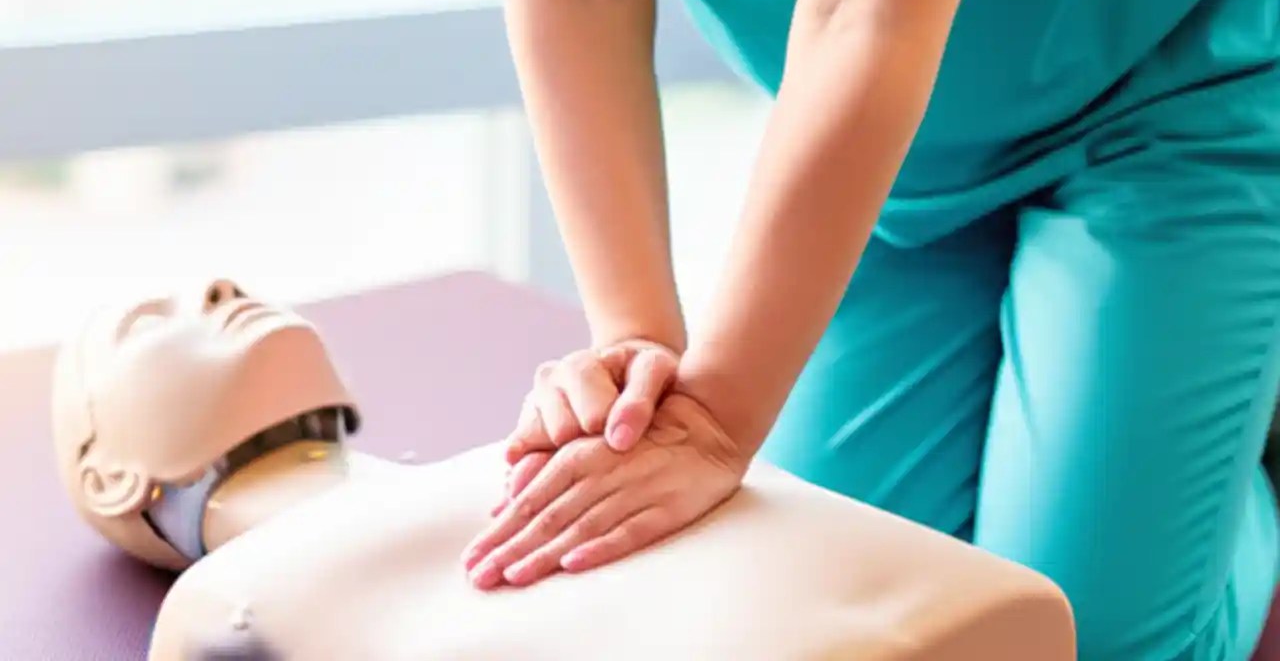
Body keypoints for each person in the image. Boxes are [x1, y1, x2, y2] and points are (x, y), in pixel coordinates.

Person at [468, 0, 1280, 659]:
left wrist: (714, 421)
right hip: (906, 158)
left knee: (1078, 638)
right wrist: (636, 342)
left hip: (1182, 91)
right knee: (842, 613)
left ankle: (1241, 457)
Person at [50, 280, 1074, 660]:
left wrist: (671, 389)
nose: (222, 285)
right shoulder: (223, 607)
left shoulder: (557, 453)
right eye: (154, 318)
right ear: (106, 480)